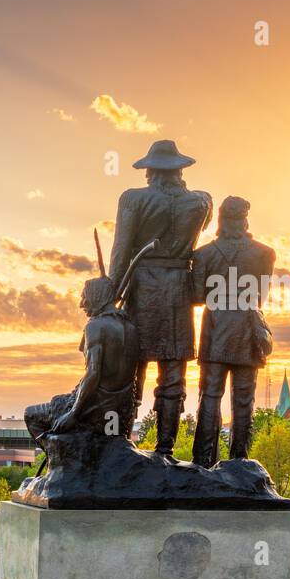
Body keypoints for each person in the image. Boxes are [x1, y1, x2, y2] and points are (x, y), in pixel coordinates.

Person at [108, 139, 212, 458]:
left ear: (150, 170)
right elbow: (202, 229)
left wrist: (110, 297)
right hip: (179, 290)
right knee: (173, 372)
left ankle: (121, 440)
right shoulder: (201, 202)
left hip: (142, 288)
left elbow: (121, 249)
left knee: (131, 366)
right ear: (180, 170)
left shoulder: (133, 199)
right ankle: (165, 448)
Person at [191, 196, 276, 466]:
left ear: (220, 219)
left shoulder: (203, 254)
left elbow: (196, 296)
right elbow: (260, 296)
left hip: (215, 329)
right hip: (247, 330)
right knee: (243, 400)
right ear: (245, 219)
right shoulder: (264, 253)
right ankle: (239, 460)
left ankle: (203, 461)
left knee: (209, 396)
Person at [23, 276, 140, 440]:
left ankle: (61, 459)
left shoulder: (95, 326)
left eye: (85, 297)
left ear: (96, 296)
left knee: (31, 415)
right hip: (120, 411)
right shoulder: (132, 328)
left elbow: (93, 373)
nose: (81, 304)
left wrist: (73, 414)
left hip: (95, 409)